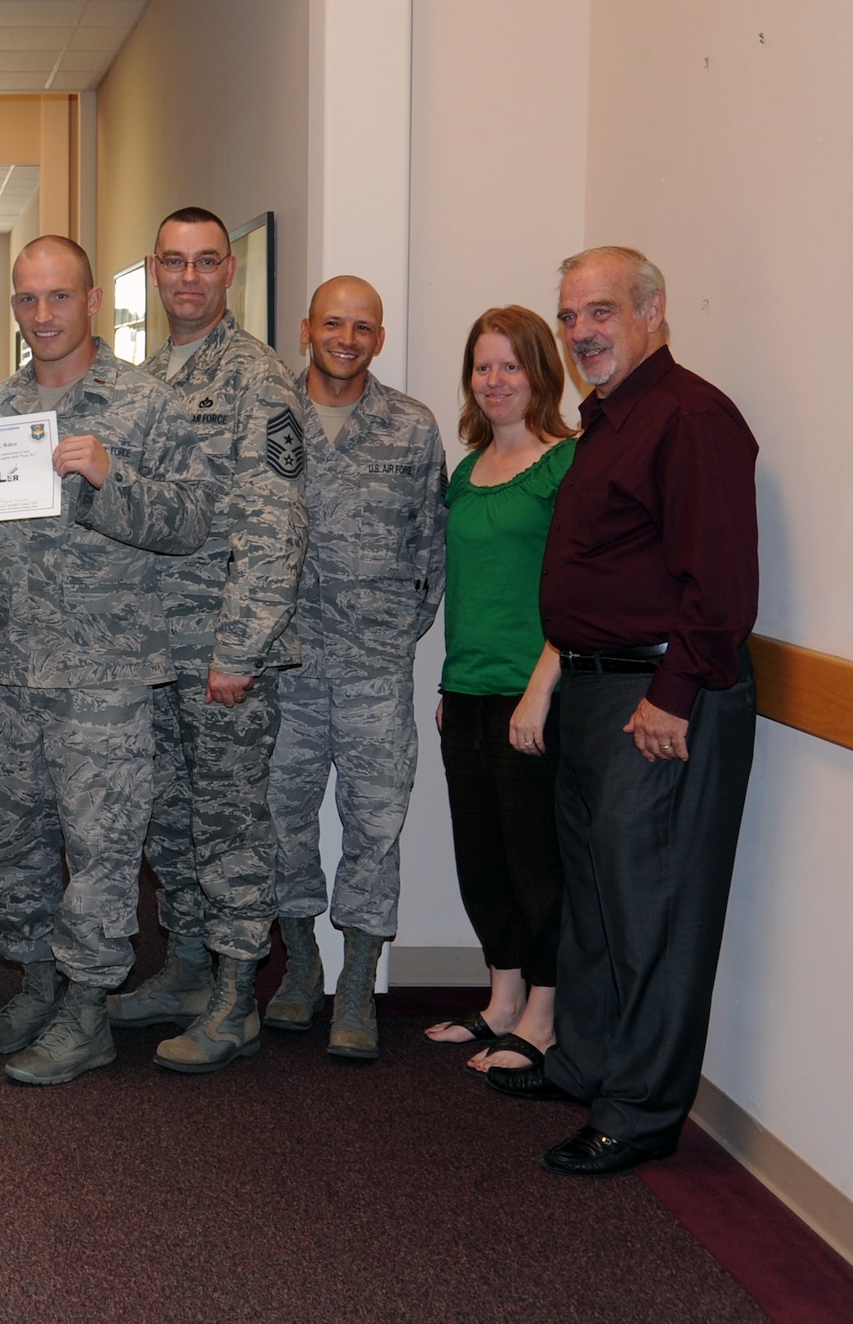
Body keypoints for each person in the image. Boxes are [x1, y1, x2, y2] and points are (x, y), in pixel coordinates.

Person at [488, 247, 758, 1179]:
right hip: (596, 691)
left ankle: (640, 1111)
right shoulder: (608, 424)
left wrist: (673, 697)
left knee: (657, 912)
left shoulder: (692, 418)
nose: (581, 333)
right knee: (597, 901)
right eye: (569, 317)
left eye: (600, 312)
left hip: (659, 698)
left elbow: (719, 583)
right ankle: (586, 1064)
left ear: (654, 311)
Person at [0, 237, 210, 1086]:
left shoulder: (143, 404)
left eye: (58, 298)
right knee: (9, 840)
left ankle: (86, 1009)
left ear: (91, 302)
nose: (42, 316)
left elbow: (193, 524)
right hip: (13, 667)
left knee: (102, 847)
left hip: (106, 678)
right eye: (27, 300)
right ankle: (36, 983)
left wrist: (110, 477)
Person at [111, 207, 308, 1076]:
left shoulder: (257, 378)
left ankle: (236, 997)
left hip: (221, 652)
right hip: (153, 648)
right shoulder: (145, 377)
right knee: (168, 821)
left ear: (229, 272)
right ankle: (187, 969)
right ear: (154, 271)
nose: (187, 279)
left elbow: (276, 524)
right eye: (173, 263)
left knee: (230, 825)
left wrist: (239, 651)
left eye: (205, 263)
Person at [264, 275, 446, 1061]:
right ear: (307, 327)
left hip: (374, 669)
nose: (347, 337)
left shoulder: (411, 425)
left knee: (376, 826)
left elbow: (430, 547)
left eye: (362, 326)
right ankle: (302, 968)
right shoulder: (269, 417)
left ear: (378, 335)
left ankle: (359, 989)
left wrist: (395, 632)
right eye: (333, 322)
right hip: (287, 668)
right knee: (280, 819)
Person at [424, 307, 576, 1074]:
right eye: (483, 367)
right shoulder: (467, 469)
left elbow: (581, 593)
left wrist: (539, 691)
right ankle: (503, 1000)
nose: (494, 381)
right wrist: (455, 684)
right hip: (469, 693)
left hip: (533, 698)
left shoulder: (564, 466)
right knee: (481, 858)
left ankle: (544, 1018)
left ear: (540, 374)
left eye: (510, 366)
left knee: (535, 863)